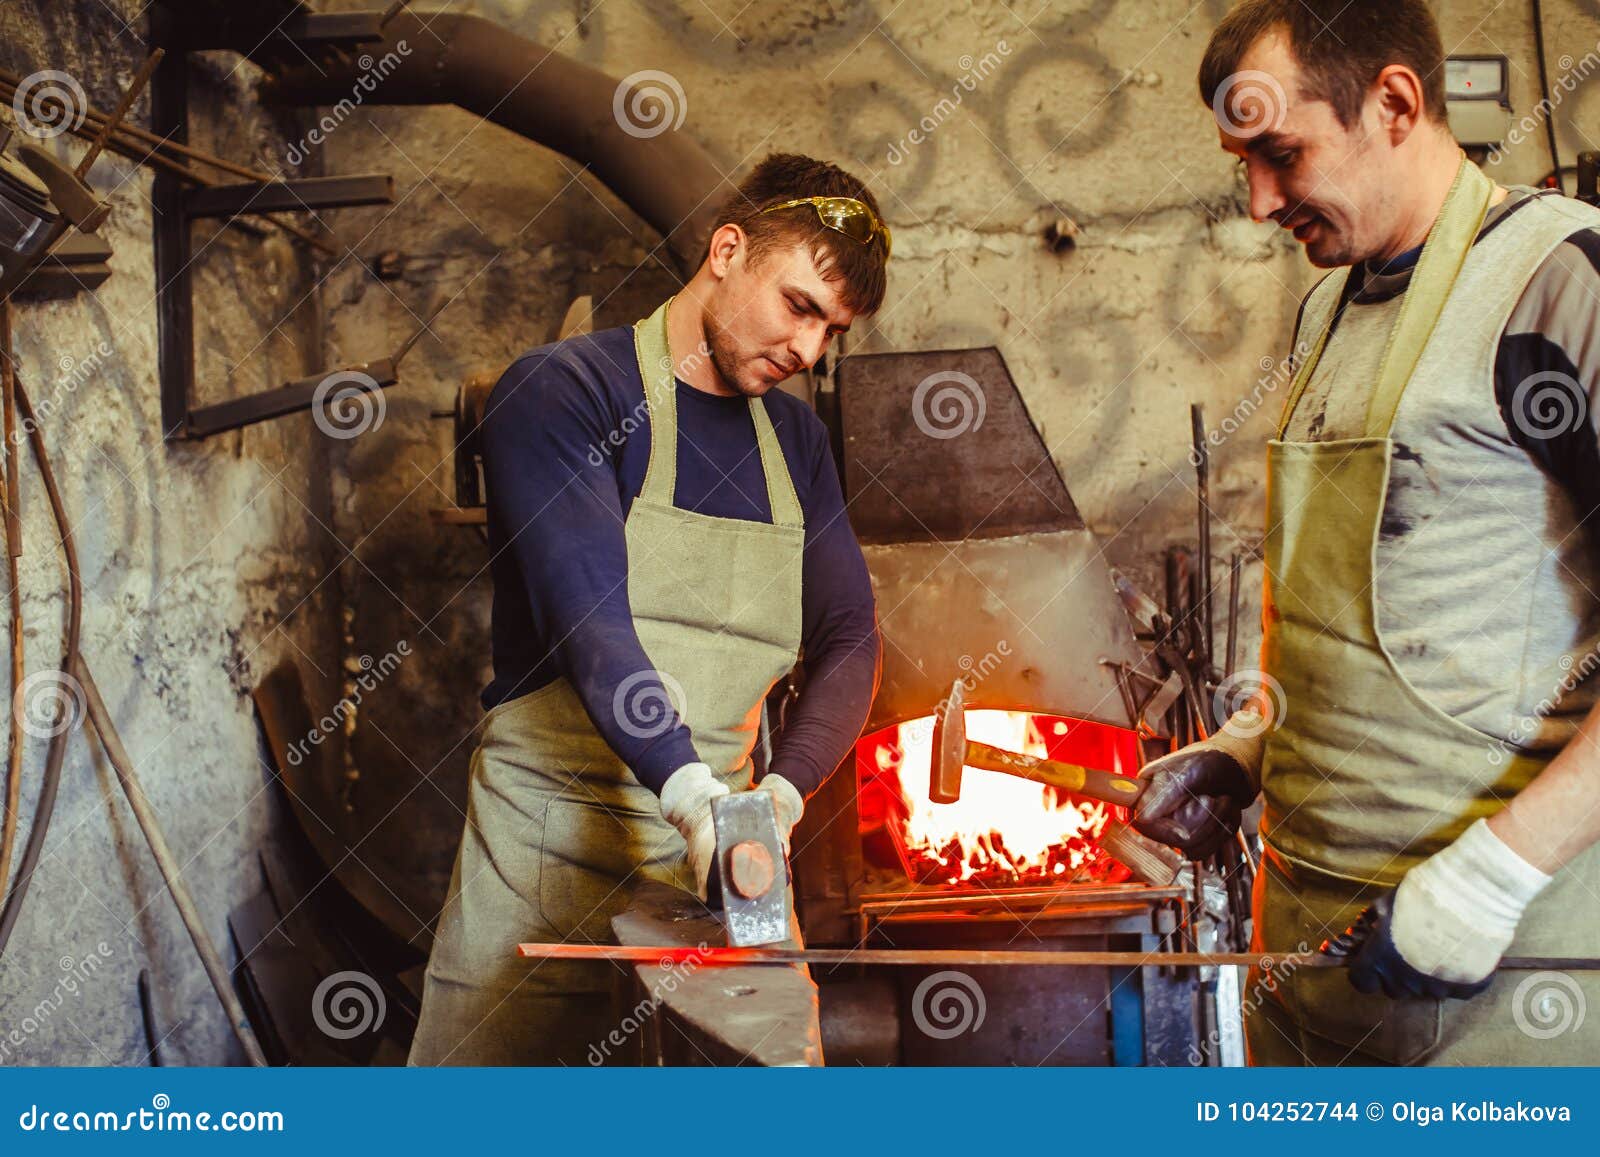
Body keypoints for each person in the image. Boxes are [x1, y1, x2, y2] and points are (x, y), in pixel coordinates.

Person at [1133, 0, 1600, 1064]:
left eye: (1279, 154)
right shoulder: (1327, 312)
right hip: (1316, 968)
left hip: (1502, 985)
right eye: (1239, 164)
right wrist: (1250, 747)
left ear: (1393, 102)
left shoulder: (1558, 281)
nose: (1256, 203)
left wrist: (1496, 876)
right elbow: (1373, 607)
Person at [408, 153, 888, 1065]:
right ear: (728, 249)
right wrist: (692, 794)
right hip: (547, 850)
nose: (809, 352)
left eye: (832, 330)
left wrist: (775, 799)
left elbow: (848, 635)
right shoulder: (562, 392)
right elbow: (592, 618)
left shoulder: (797, 443)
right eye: (798, 306)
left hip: (715, 868)